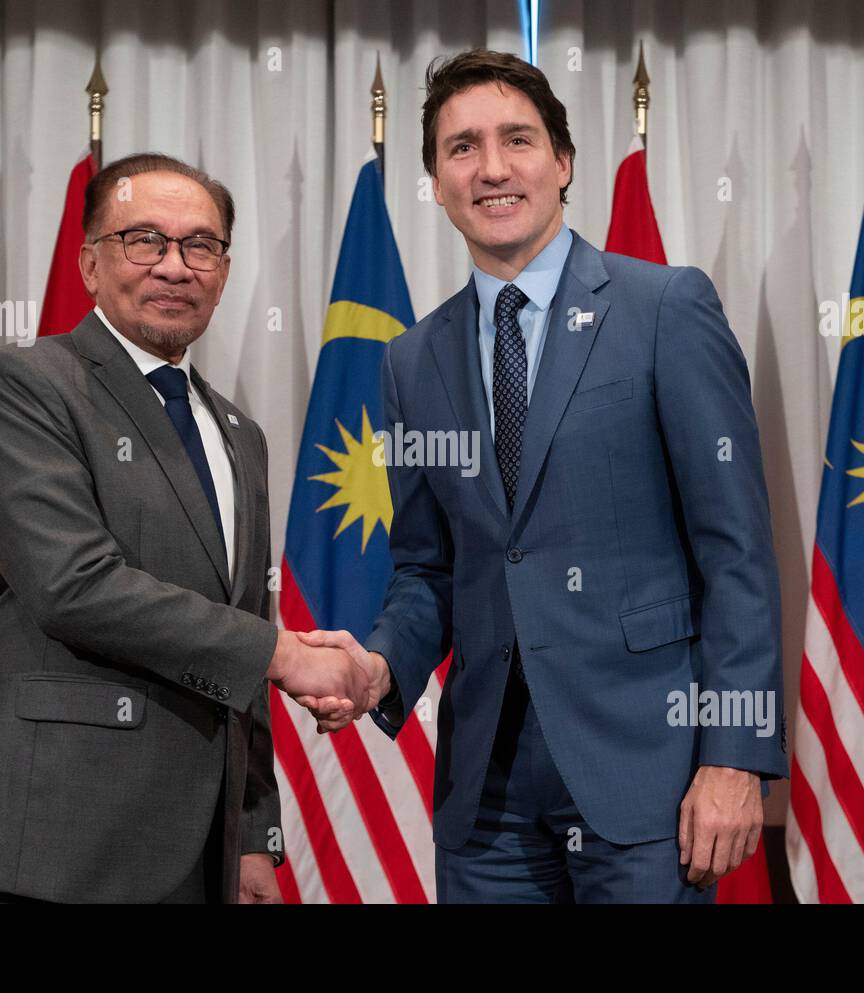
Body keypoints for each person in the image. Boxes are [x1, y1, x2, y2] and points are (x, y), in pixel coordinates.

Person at [300, 51, 788, 903]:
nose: (491, 167)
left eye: (516, 139)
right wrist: (379, 668)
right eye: (462, 148)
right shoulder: (412, 361)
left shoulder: (667, 308)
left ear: (562, 162)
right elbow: (428, 569)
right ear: (437, 182)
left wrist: (735, 755)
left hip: (648, 778)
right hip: (485, 802)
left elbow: (738, 550)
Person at [0, 153, 367, 904]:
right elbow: (75, 586)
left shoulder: (239, 433)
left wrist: (255, 836)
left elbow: (241, 626)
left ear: (223, 271)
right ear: (90, 263)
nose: (176, 266)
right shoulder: (23, 384)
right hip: (59, 840)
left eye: (202, 245)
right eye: (145, 240)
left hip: (202, 851)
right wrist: (285, 654)